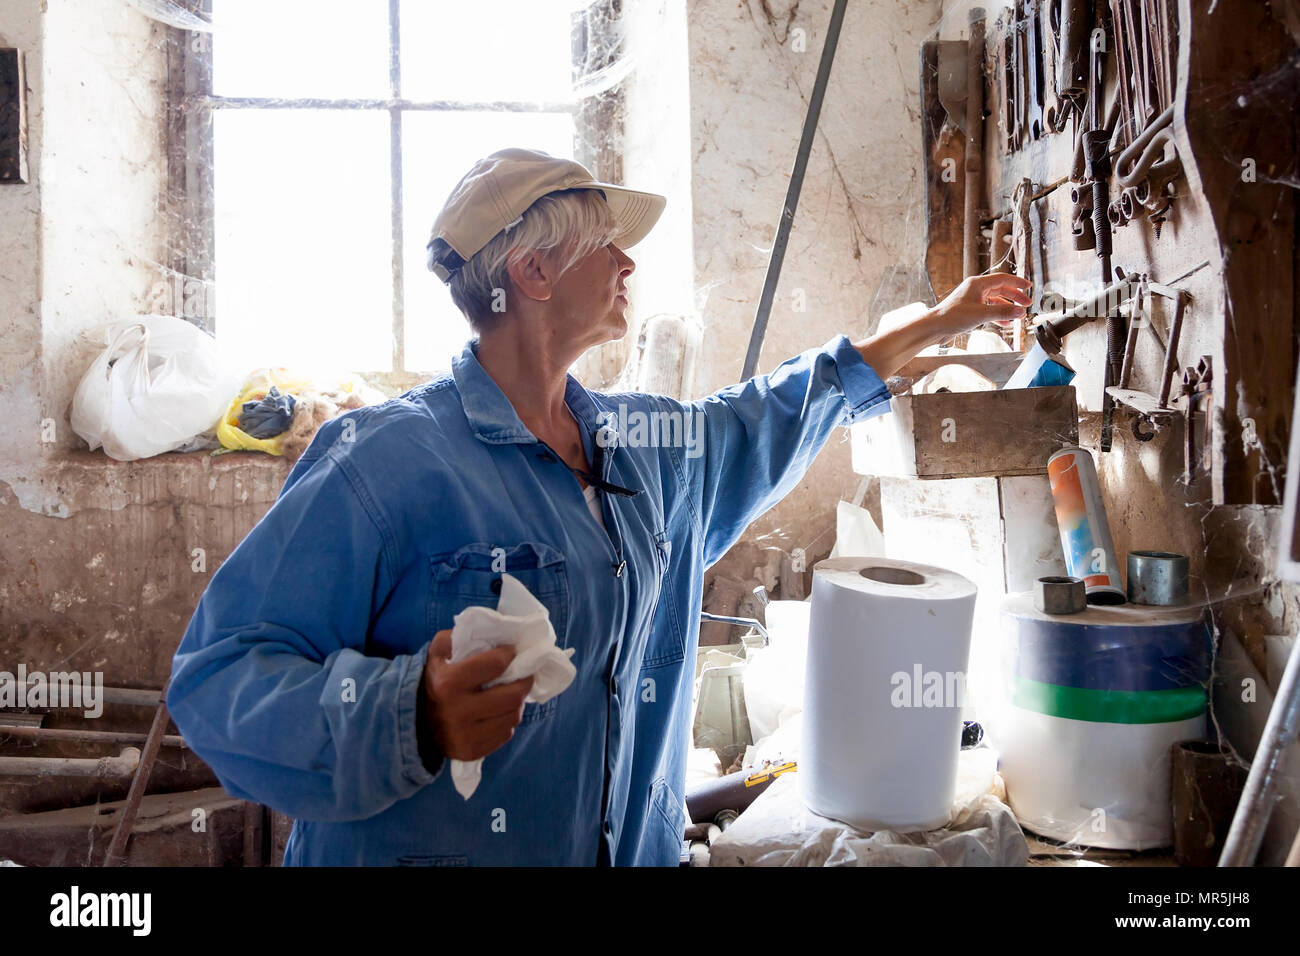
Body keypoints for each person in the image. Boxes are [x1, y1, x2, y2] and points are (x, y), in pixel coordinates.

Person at [167, 147, 1031, 866]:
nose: (627, 264)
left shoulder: (649, 449)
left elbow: (778, 410)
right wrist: (409, 713)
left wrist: (935, 325)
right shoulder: (382, 462)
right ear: (532, 271)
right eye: (603, 247)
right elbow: (219, 678)